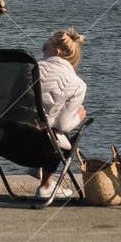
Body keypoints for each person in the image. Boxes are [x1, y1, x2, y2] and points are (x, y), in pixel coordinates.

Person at [36, 28, 87, 194]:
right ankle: (45, 185)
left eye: (45, 46)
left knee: (47, 123)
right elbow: (64, 125)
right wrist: (78, 117)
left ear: (56, 51)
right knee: (61, 133)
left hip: (7, 138)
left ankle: (39, 172)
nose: (42, 49)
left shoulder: (28, 69)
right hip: (40, 145)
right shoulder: (78, 85)